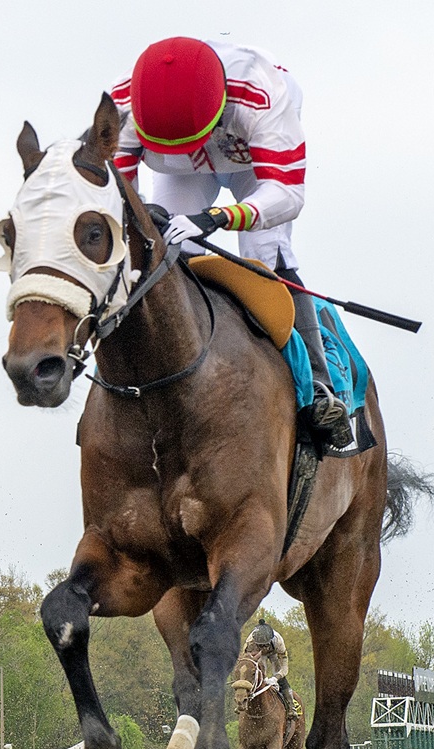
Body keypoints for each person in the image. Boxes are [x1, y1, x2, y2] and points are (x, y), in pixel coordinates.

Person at [109, 37, 351, 444]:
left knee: (263, 252)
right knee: (170, 255)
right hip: (180, 168)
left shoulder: (263, 95)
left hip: (250, 160)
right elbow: (117, 195)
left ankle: (319, 387)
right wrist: (142, 220)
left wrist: (218, 216)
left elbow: (287, 195)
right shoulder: (122, 104)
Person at [243, 618, 298, 722]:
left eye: (265, 645)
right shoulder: (250, 641)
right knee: (255, 672)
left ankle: (291, 707)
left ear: (271, 641)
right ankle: (242, 701)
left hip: (274, 654)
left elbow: (284, 667)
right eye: (260, 645)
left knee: (278, 672)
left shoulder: (278, 641)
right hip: (257, 655)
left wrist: (275, 678)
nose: (263, 648)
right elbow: (246, 662)